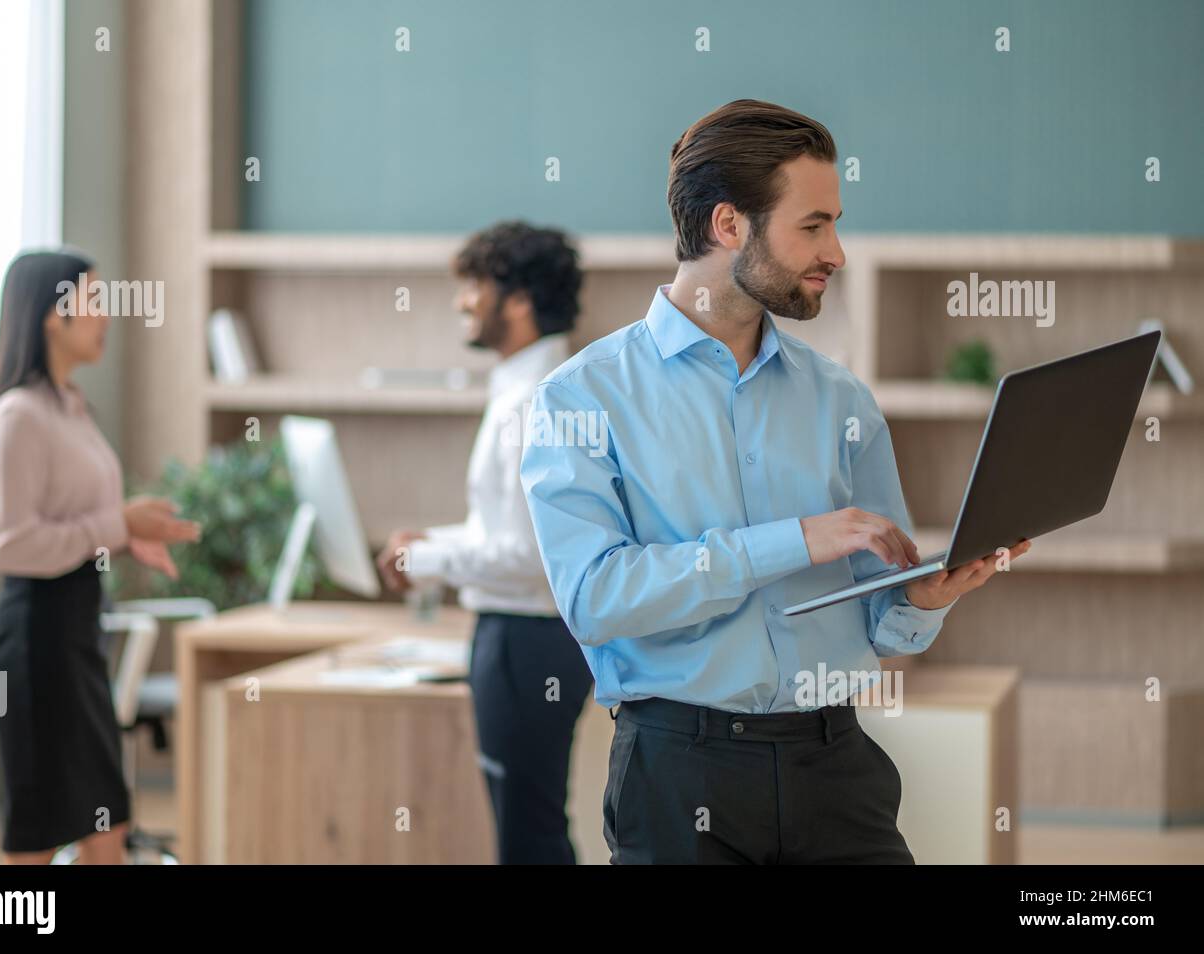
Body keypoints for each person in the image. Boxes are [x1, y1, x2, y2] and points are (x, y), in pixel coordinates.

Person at [519, 100, 1031, 864]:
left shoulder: (842, 400)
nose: (838, 253)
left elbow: (878, 614)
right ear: (730, 226)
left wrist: (923, 599)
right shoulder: (581, 398)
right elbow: (594, 598)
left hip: (836, 764)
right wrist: (793, 541)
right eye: (813, 225)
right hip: (678, 771)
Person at [376, 222, 593, 864]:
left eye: (474, 286)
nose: (461, 301)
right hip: (522, 636)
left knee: (528, 834)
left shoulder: (537, 400)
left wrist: (428, 561)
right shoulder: (525, 389)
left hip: (528, 639)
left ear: (519, 299)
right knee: (527, 824)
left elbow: (531, 555)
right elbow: (508, 530)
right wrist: (434, 542)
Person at [0, 250, 200, 864]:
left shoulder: (71, 406)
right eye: (94, 301)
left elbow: (76, 518)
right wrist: (115, 524)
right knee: (42, 839)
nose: (105, 316)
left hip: (76, 635)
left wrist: (128, 534)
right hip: (36, 640)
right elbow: (9, 543)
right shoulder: (19, 415)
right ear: (53, 315)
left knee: (107, 828)